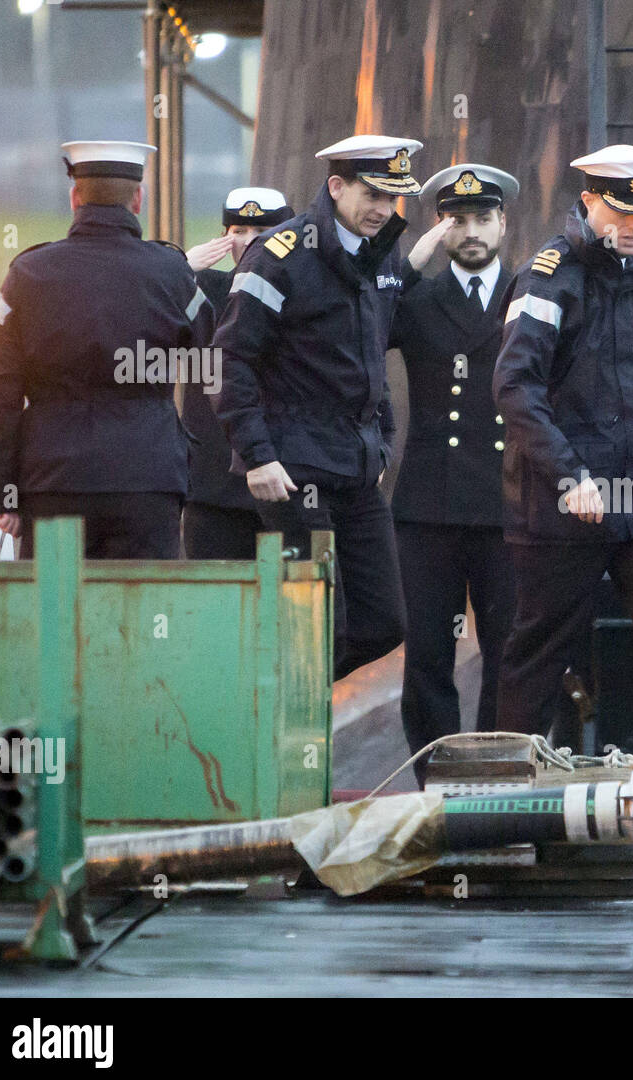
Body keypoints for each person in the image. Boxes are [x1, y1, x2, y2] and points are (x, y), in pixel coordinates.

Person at [492, 144, 633, 758]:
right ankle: (513, 794)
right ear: (588, 201)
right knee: (543, 648)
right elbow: (514, 388)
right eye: (624, 213)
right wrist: (569, 476)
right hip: (561, 498)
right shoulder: (549, 275)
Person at [213, 135, 419, 680]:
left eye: (393, 199)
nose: (383, 210)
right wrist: (256, 455)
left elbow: (374, 355)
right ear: (335, 186)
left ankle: (277, 696)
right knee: (320, 620)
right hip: (292, 468)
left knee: (384, 622)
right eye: (372, 195)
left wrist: (380, 444)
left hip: (355, 467)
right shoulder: (280, 255)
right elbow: (230, 361)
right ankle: (276, 717)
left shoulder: (383, 254)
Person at [0, 140, 208, 559]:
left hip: (52, 481)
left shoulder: (28, 274)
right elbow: (212, 364)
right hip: (148, 479)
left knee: (55, 616)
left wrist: (2, 494)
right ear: (137, 199)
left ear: (74, 199)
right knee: (142, 613)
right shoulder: (172, 273)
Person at [390, 164, 520, 760]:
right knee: (428, 654)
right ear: (440, 227)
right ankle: (437, 776)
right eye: (457, 220)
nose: (471, 231)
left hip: (507, 502)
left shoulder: (532, 295)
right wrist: (408, 263)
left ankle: (496, 769)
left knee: (508, 647)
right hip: (430, 506)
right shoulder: (415, 297)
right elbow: (360, 320)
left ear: (502, 225)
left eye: (482, 219)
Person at [182, 186, 294, 559]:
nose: (250, 243)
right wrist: (179, 269)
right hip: (214, 488)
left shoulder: (306, 292)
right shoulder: (203, 290)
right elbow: (139, 322)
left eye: (262, 233)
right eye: (238, 232)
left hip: (288, 480)